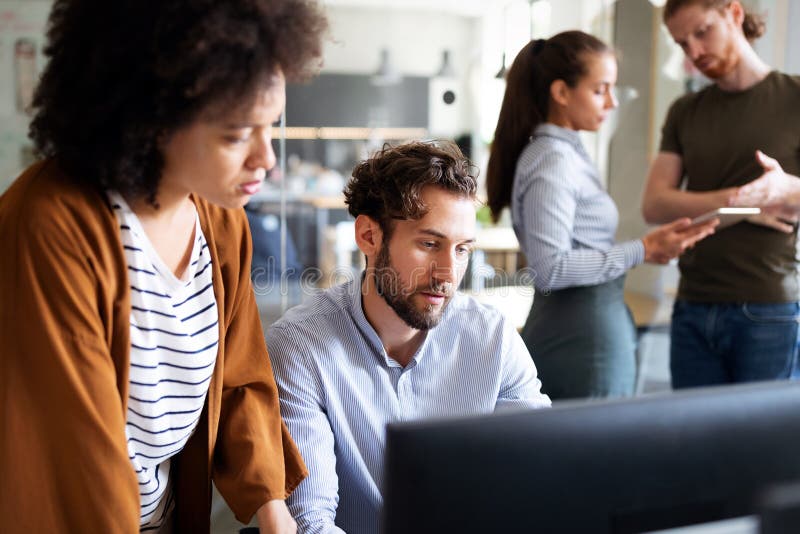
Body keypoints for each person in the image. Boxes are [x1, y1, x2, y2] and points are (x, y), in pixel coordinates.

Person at [0, 0, 327, 532]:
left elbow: (240, 380)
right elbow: (75, 458)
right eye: (236, 134)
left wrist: (274, 511)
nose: (266, 158)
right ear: (150, 116)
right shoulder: (51, 227)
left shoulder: (221, 221)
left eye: (271, 126)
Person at [267, 140, 551, 534]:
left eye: (463, 249)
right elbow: (310, 522)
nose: (449, 274)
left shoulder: (492, 338)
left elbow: (539, 480)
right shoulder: (300, 347)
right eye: (429, 244)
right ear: (368, 236)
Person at [485, 31, 716, 400]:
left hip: (583, 328)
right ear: (561, 93)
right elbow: (550, 268)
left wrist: (647, 249)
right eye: (599, 90)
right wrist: (642, 249)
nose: (610, 102)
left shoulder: (562, 154)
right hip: (581, 338)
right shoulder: (554, 161)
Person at [640, 0, 800, 389]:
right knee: (691, 445)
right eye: (682, 43)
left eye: (701, 32)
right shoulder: (685, 110)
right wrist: (744, 204)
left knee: (761, 446)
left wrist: (787, 188)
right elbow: (655, 203)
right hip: (691, 304)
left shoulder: (795, 96)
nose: (694, 52)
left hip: (769, 308)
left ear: (734, 13)